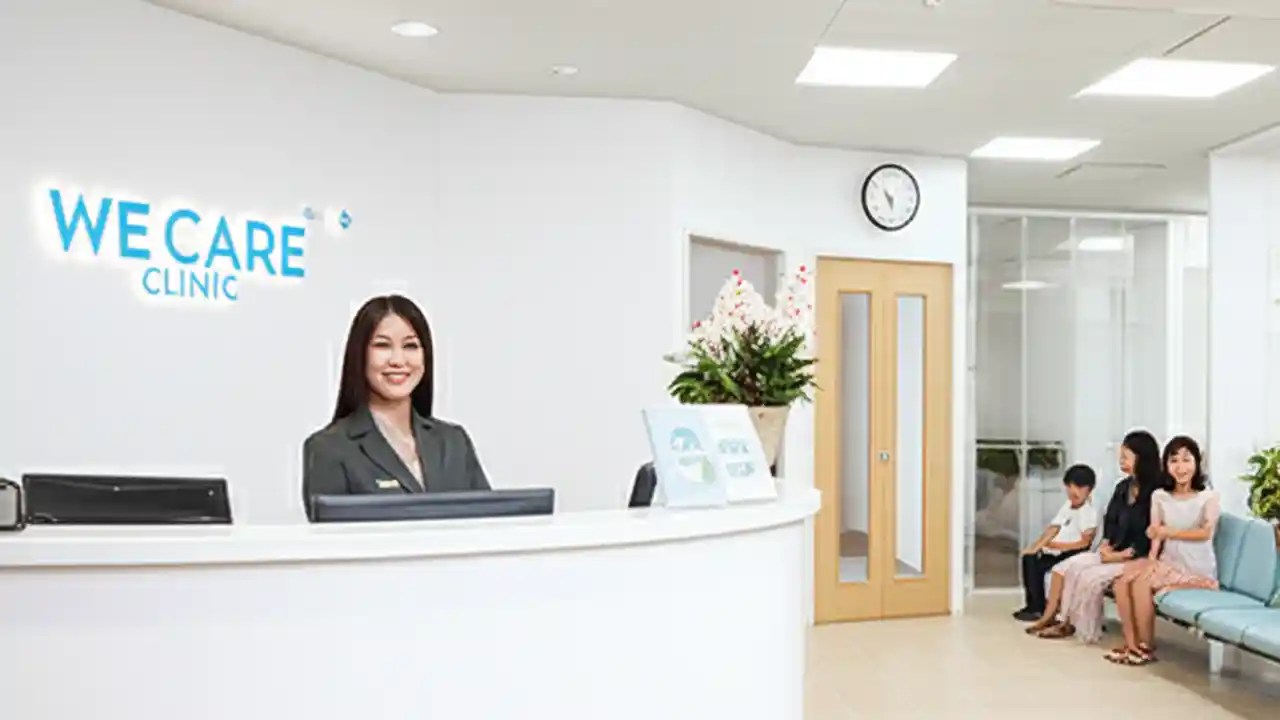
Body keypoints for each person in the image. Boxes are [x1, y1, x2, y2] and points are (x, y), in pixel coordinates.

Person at [301, 295, 491, 519]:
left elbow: (488, 525)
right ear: (360, 354)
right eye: (382, 345)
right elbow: (331, 537)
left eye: (410, 346)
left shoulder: (454, 442)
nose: (398, 360)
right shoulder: (329, 448)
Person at [1026, 430, 1161, 642]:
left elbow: (1150, 534)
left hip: (1135, 557)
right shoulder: (1122, 487)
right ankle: (1060, 620)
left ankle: (1080, 627)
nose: (1121, 461)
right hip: (1113, 551)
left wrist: (1119, 555)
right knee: (1067, 568)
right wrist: (1106, 545)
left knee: (1088, 577)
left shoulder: (1157, 492)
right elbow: (1111, 521)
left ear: (1142, 458)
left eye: (1125, 457)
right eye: (1121, 456)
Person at [1106, 435, 1219, 666]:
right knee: (1121, 582)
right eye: (1174, 460)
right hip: (1168, 563)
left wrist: (1168, 532)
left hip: (1195, 568)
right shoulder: (1159, 495)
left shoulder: (1208, 497)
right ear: (1165, 465)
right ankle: (1131, 644)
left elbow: (1205, 533)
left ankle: (1146, 646)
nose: (1181, 467)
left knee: (1140, 584)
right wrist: (1150, 561)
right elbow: (1155, 534)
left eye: (1186, 460)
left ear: (1197, 463)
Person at [1013, 464, 1099, 622]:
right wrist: (1035, 547)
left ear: (1089, 489)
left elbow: (1084, 543)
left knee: (1037, 564)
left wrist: (1058, 546)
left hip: (1074, 553)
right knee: (1029, 558)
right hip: (1057, 550)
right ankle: (1034, 606)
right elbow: (1053, 528)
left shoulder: (1089, 512)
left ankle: (1040, 608)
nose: (1074, 491)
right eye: (1070, 486)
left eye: (1079, 487)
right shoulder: (1068, 506)